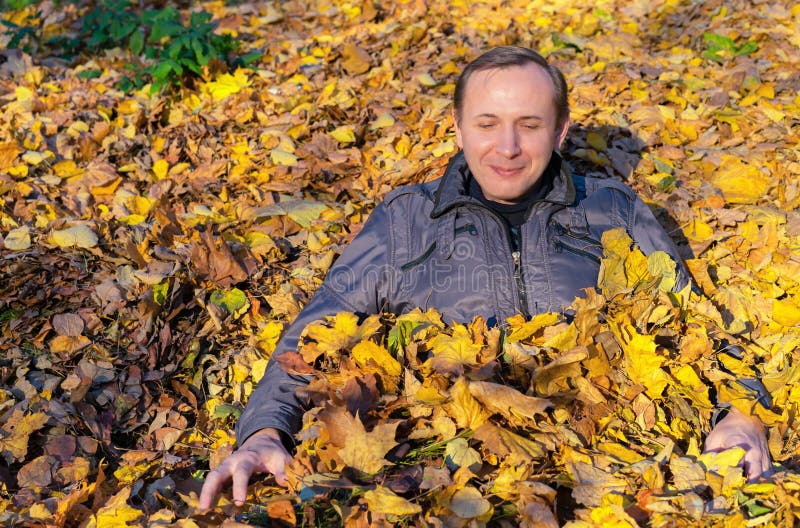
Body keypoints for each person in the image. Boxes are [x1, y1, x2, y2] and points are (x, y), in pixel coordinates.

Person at [199, 46, 771, 509]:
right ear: (458, 127)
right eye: (487, 123)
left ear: (561, 129)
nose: (508, 147)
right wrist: (263, 435)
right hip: (447, 492)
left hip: (612, 485)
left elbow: (695, 330)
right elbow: (314, 336)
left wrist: (742, 416)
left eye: (529, 124)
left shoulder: (612, 208)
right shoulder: (404, 219)